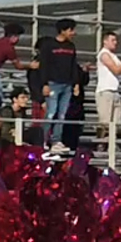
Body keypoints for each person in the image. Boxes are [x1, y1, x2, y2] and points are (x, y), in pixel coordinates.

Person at [35, 18, 80, 151]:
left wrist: (75, 83)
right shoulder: (49, 45)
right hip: (53, 83)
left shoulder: (71, 47)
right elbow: (44, 66)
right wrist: (44, 84)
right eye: (71, 30)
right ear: (63, 31)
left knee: (62, 114)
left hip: (67, 85)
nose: (73, 33)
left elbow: (73, 66)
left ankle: (56, 140)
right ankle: (42, 140)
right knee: (51, 112)